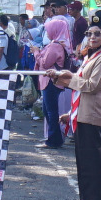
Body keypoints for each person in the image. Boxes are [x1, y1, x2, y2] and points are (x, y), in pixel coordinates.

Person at [49, 23, 101, 200]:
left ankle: (93, 199)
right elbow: (80, 81)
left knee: (90, 158)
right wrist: (62, 76)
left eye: (97, 33)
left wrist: (66, 77)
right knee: (82, 157)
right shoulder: (92, 56)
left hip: (91, 112)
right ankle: (86, 196)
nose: (92, 37)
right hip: (81, 112)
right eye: (89, 34)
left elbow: (91, 85)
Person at [36, 17, 74, 148]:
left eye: (48, 29)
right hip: (52, 82)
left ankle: (53, 140)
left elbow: (45, 63)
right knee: (48, 111)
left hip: (50, 82)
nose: (47, 32)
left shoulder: (54, 45)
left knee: (50, 111)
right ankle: (55, 138)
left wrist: (36, 53)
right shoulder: (60, 44)